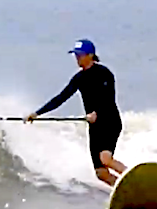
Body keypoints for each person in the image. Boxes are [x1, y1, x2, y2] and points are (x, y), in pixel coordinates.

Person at [26, 39, 128, 186]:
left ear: (90, 55)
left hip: (110, 121)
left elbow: (108, 99)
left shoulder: (104, 73)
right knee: (101, 173)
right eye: (76, 55)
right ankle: (125, 190)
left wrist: (96, 113)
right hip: (95, 127)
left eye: (80, 55)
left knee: (105, 158)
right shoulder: (79, 78)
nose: (77, 58)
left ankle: (133, 176)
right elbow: (61, 98)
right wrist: (37, 113)